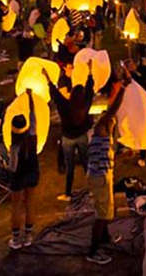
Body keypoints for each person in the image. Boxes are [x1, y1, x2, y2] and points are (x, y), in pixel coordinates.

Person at [86, 70, 128, 265]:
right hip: (99, 177)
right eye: (110, 121)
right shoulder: (100, 128)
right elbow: (113, 110)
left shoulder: (104, 136)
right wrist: (124, 88)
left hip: (103, 175)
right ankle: (93, 251)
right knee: (102, 214)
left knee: (107, 210)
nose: (112, 123)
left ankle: (105, 237)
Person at [45, 67, 94, 201]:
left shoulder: (64, 105)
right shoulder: (85, 105)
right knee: (86, 162)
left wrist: (47, 78)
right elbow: (90, 91)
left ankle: (68, 193)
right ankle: (92, 189)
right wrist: (89, 72)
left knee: (70, 165)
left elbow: (55, 94)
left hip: (67, 138)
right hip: (82, 137)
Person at [7, 89, 40, 249]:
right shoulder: (32, 135)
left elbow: (12, 168)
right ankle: (28, 236)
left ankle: (16, 238)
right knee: (30, 204)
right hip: (33, 173)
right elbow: (33, 115)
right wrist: (30, 97)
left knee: (16, 207)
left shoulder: (14, 147)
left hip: (19, 177)